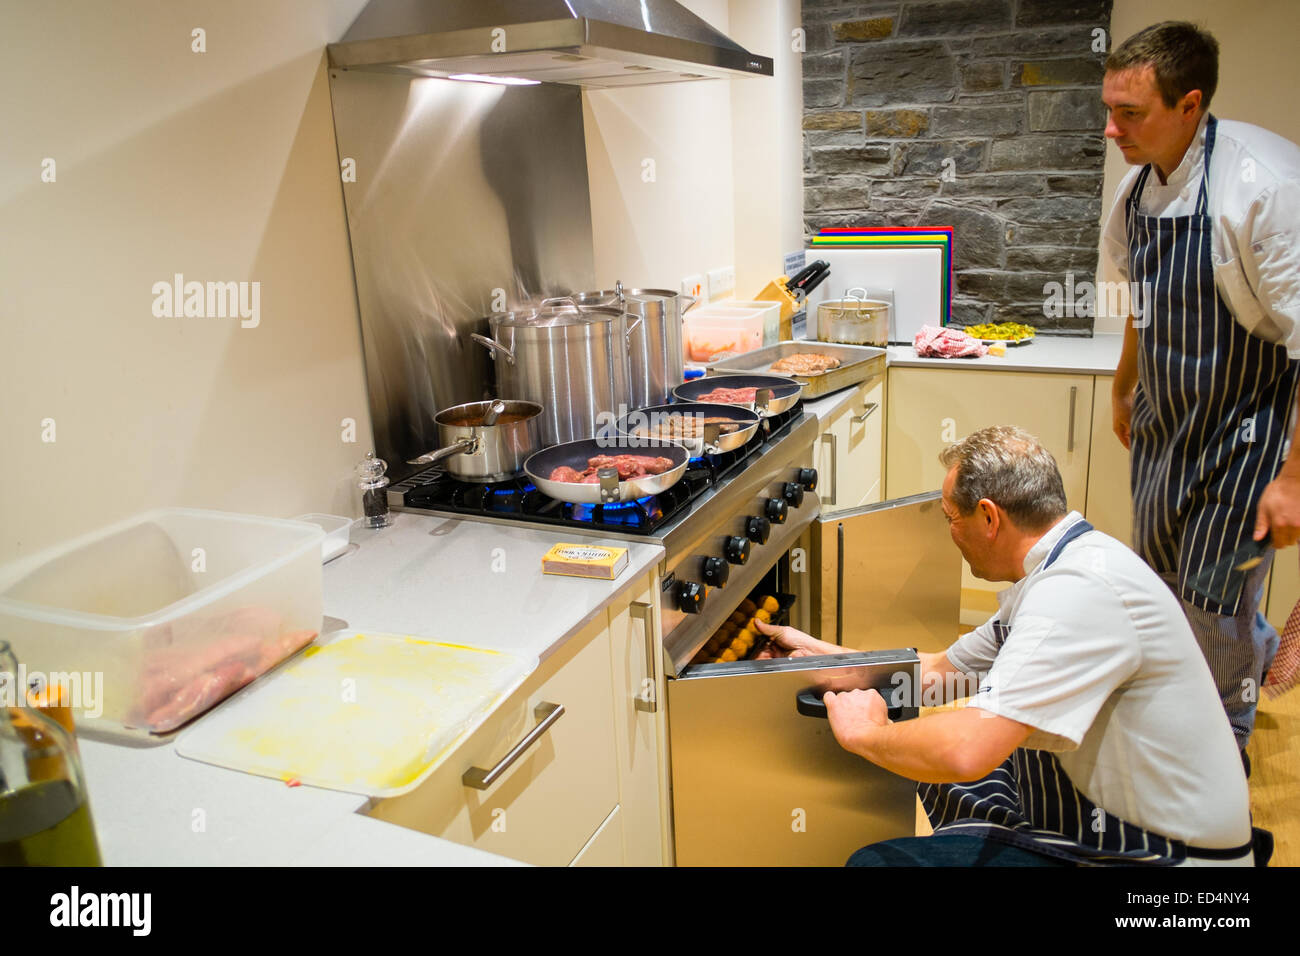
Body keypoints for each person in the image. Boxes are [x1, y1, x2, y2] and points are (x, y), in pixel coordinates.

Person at [755, 426, 1255, 866]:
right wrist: (817, 657)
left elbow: (967, 750)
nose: (950, 532)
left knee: (876, 862)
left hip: (1157, 866)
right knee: (943, 777)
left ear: (989, 518)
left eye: (951, 518)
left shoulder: (1078, 593)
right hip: (1103, 827)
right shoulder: (1057, 569)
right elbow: (931, 676)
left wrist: (868, 734)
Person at [1101, 21, 1300, 755]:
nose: (1112, 128)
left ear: (1190, 105)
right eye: (1109, 108)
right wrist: (1125, 386)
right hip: (1163, 426)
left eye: (1130, 113)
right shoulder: (1133, 193)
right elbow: (1137, 296)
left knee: (1214, 602)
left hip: (1246, 428)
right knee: (1161, 588)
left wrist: (1295, 476)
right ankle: (1252, 643)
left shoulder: (1264, 189)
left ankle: (1220, 753)